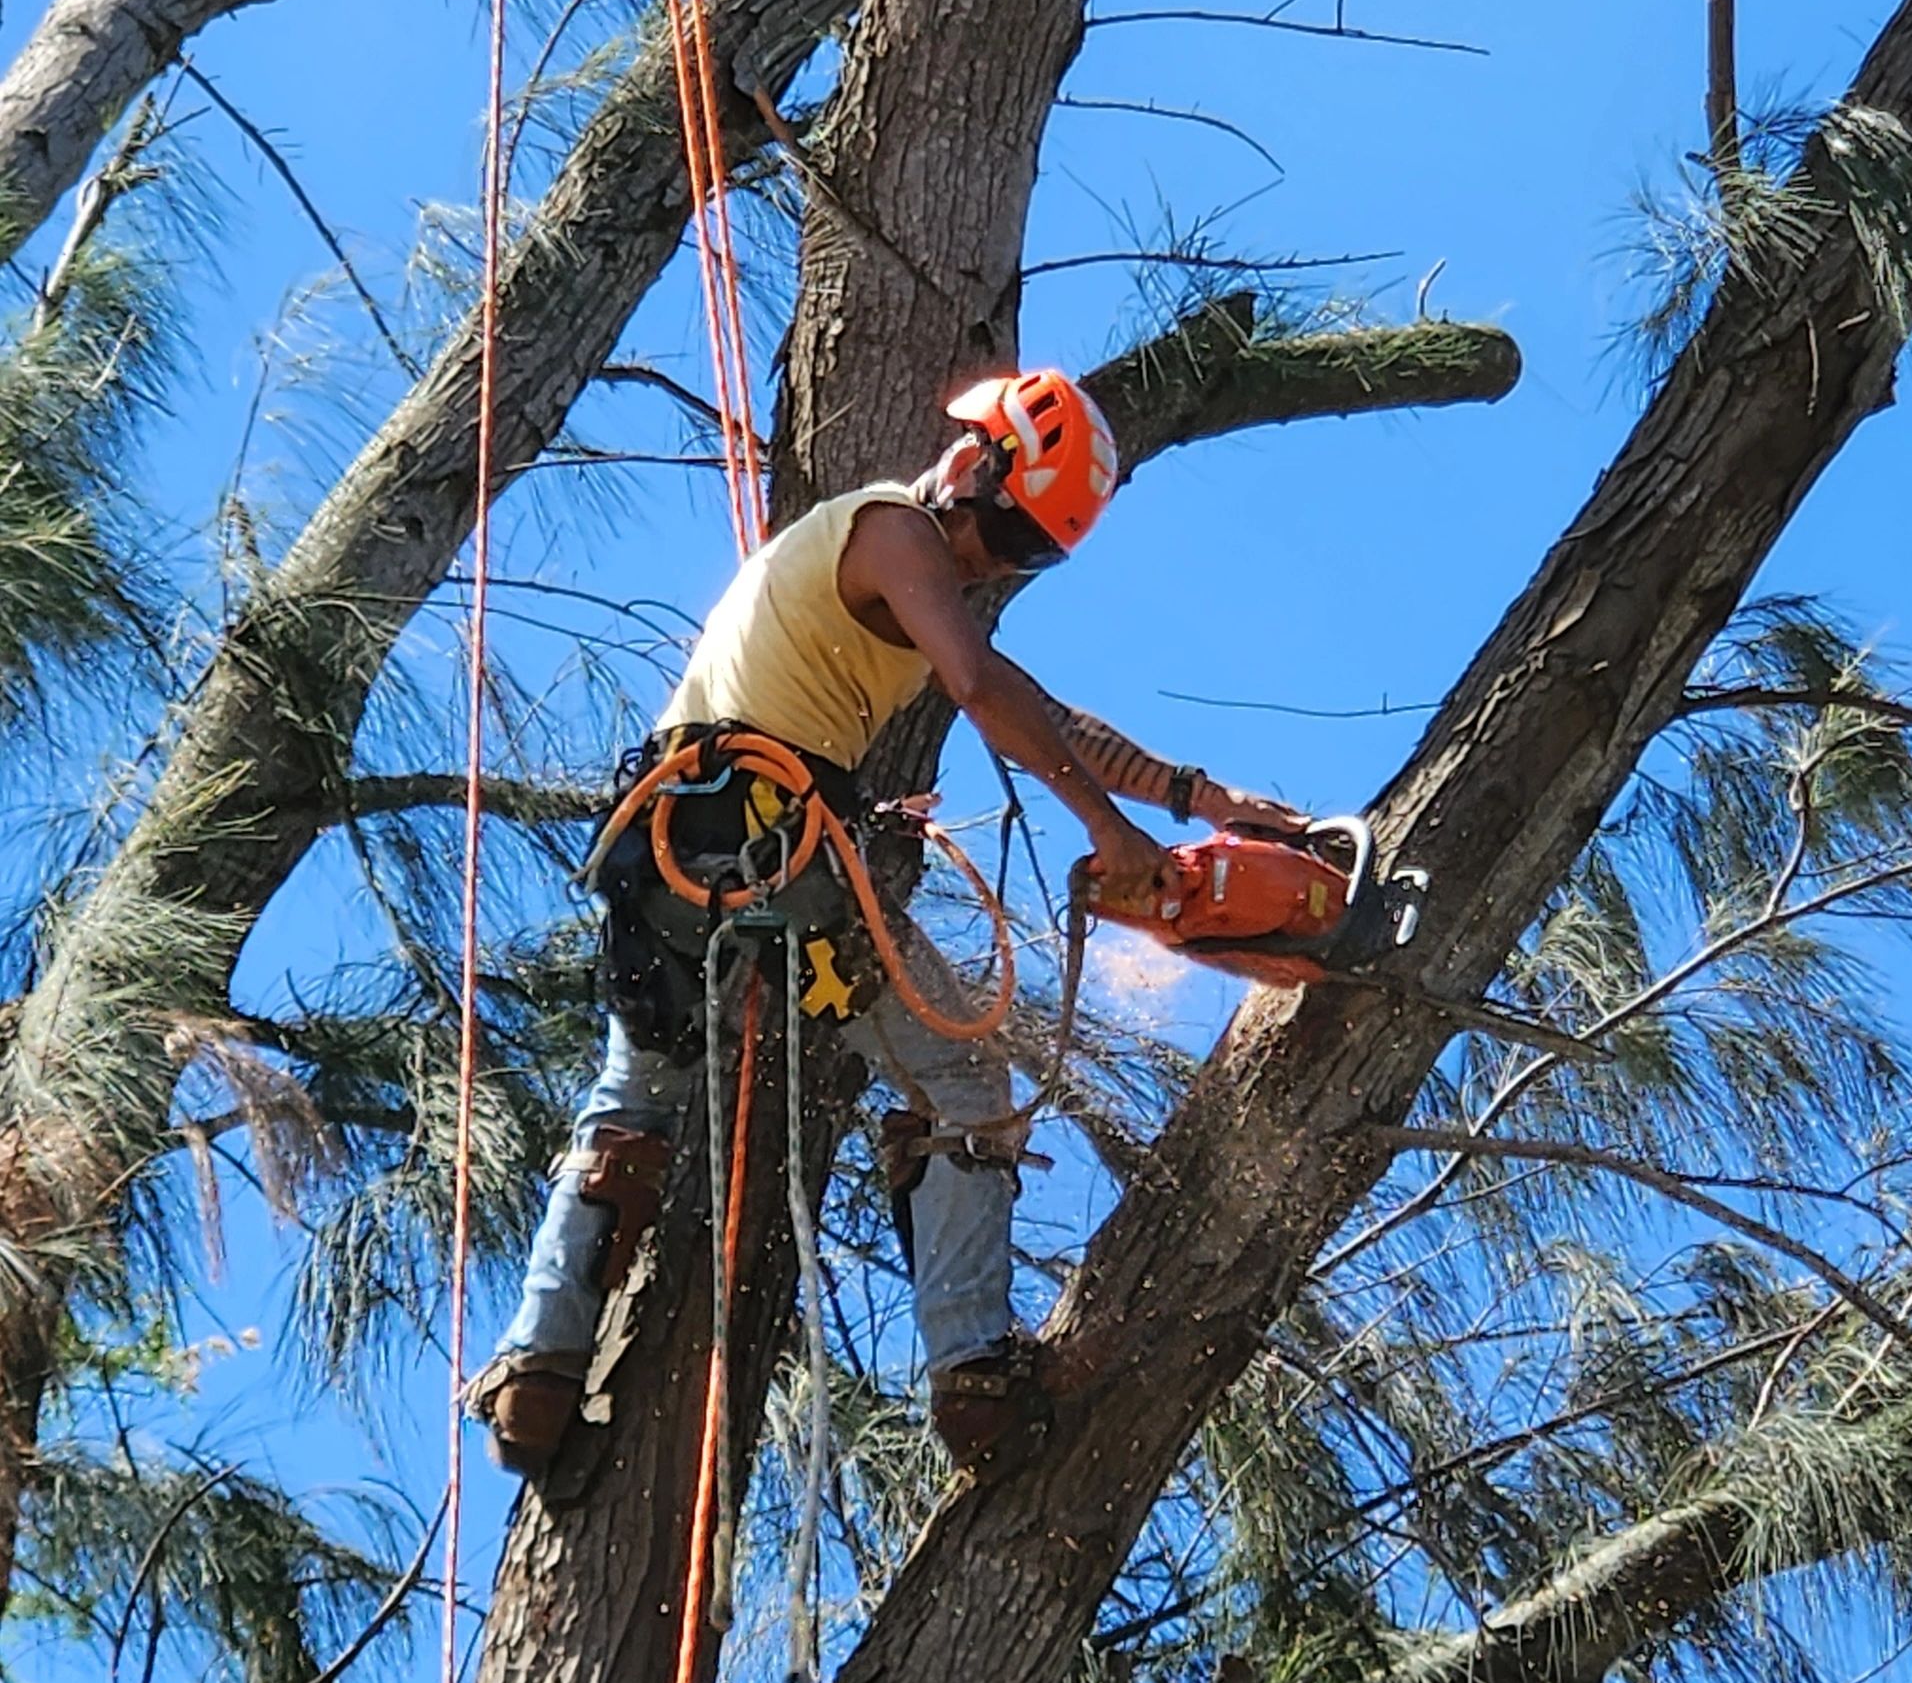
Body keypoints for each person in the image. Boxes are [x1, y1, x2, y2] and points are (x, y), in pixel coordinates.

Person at [466, 369, 1305, 1477]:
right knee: (961, 1073)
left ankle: (538, 1368)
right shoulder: (890, 528)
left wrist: (1196, 799)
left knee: (632, 1104)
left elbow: (1034, 705)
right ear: (972, 463)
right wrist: (1111, 836)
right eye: (1010, 527)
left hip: (663, 859)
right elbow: (981, 683)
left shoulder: (886, 573)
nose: (1001, 555)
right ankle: (973, 1376)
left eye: (1030, 550)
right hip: (770, 848)